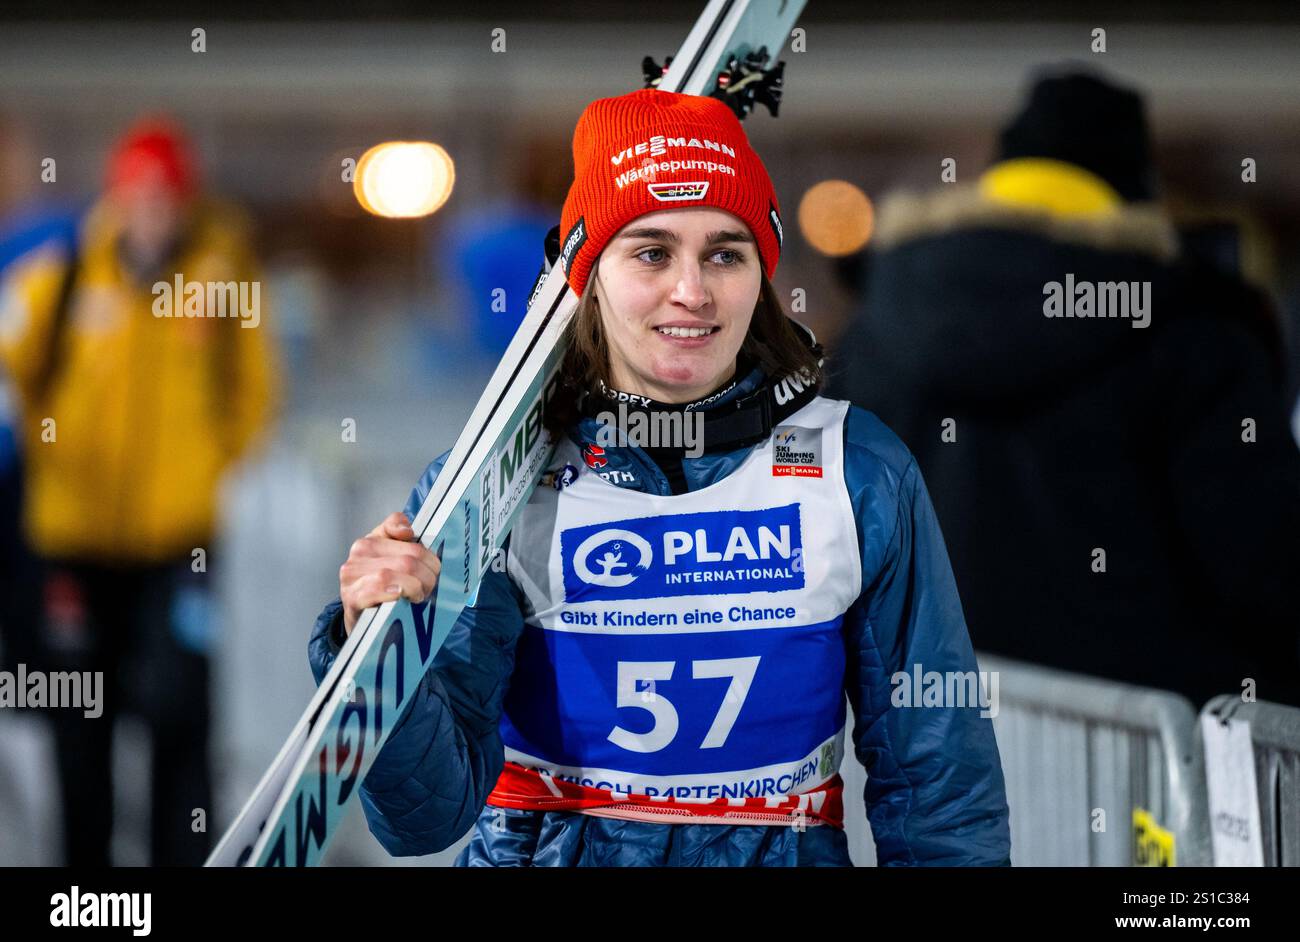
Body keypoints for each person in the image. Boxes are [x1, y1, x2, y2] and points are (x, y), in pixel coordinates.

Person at [308, 88, 1010, 866]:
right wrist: (370, 650)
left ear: (760, 274)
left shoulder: (856, 469)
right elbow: (423, 818)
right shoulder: (497, 486)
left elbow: (939, 786)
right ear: (591, 275)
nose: (693, 291)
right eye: (651, 252)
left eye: (724, 253)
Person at [829, 67, 1300, 707]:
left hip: (929, 753)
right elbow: (1265, 568)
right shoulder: (1191, 331)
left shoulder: (877, 328)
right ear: (1136, 196)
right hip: (1151, 777)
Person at [0, 117, 280, 865]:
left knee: (179, 715)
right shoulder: (56, 281)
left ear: (185, 200)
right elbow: (11, 367)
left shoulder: (221, 284)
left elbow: (255, 391)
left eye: (166, 192)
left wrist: (210, 465)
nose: (153, 206)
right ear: (119, 195)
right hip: (72, 544)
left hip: (176, 546)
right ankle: (86, 890)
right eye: (140, 191)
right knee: (79, 724)